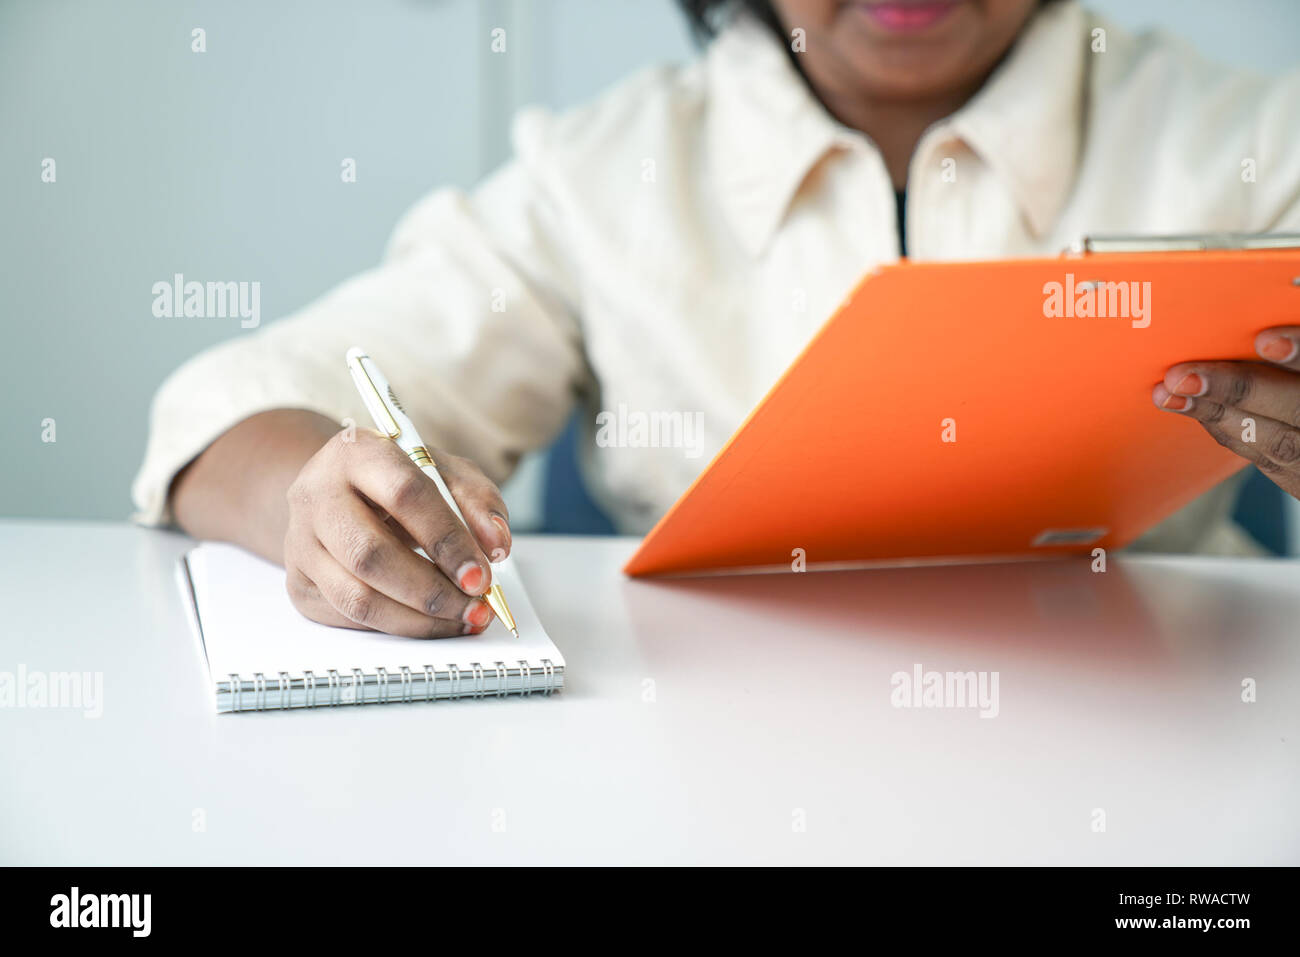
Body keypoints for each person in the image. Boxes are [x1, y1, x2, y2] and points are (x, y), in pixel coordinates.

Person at [134, 0, 1300, 638]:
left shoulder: (1250, 141)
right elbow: (225, 415)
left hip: (1157, 757)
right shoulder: (598, 173)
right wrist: (321, 507)